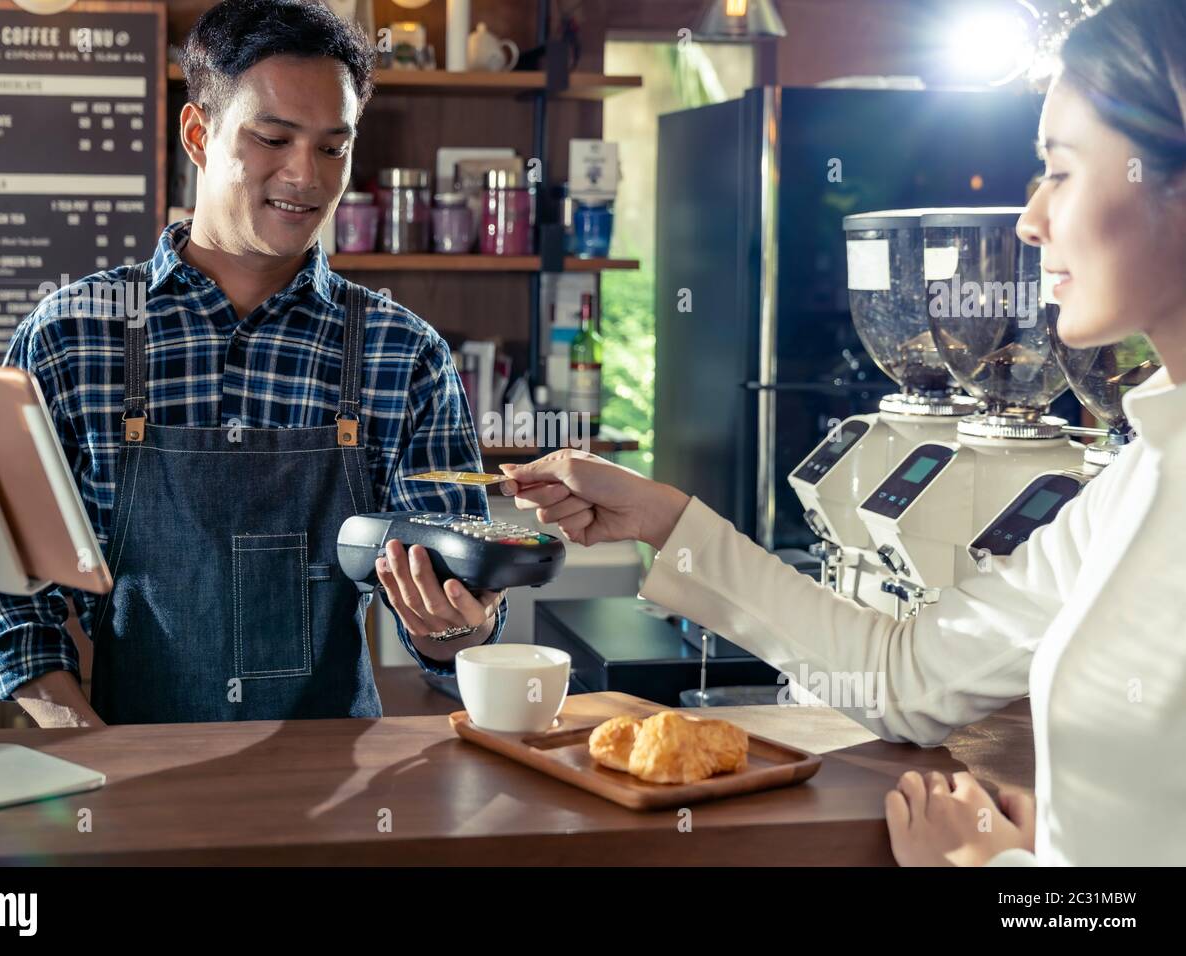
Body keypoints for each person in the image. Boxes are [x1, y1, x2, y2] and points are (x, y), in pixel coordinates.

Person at [500, 0, 1186, 866]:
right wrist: (667, 524)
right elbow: (908, 680)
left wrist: (986, 869)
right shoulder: (1140, 476)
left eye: (1060, 171)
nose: (1029, 220)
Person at [0, 0, 506, 727]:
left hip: (332, 785)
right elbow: (4, 583)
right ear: (198, 133)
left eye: (332, 147)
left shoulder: (401, 355)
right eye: (273, 137)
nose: (305, 176)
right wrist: (80, 745)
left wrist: (455, 626)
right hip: (121, 781)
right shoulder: (69, 337)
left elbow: (455, 626)